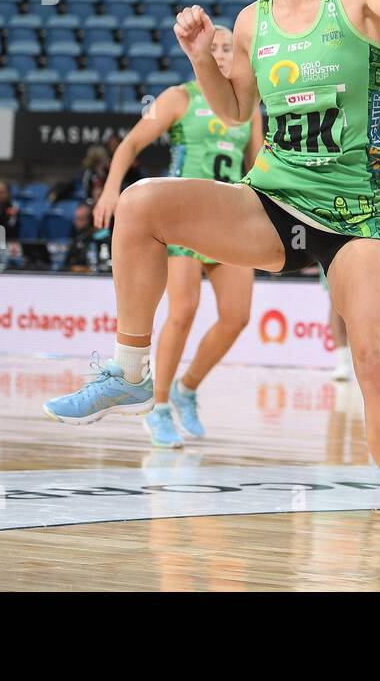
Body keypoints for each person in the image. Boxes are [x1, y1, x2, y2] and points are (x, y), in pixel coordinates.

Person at [44, 0, 380, 589]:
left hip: (357, 210)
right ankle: (132, 372)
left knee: (374, 361)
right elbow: (236, 112)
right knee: (142, 204)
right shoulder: (253, 19)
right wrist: (202, 53)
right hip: (275, 198)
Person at [91, 24, 265, 448]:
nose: (223, 54)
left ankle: (187, 388)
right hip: (185, 219)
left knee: (237, 316)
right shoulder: (180, 97)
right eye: (217, 47)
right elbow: (130, 144)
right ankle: (160, 405)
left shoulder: (248, 106)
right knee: (183, 311)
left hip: (229, 219)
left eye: (230, 48)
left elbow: (260, 162)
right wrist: (112, 188)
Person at [63, 204, 97, 271]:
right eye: (76, 218)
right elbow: (67, 264)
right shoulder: (77, 238)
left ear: (90, 220)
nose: (76, 222)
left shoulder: (98, 238)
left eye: (80, 219)